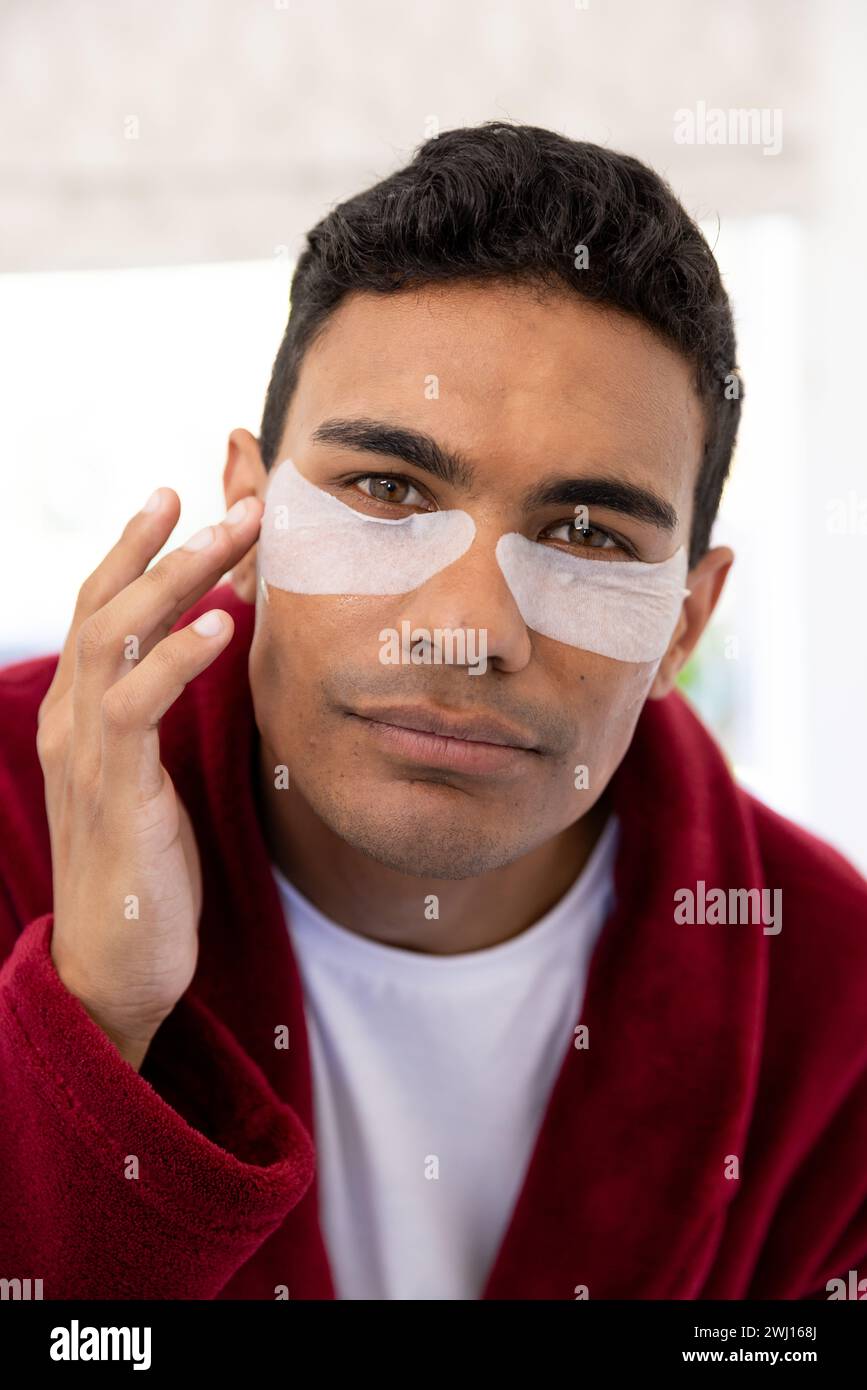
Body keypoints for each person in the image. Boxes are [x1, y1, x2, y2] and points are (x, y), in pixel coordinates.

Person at [1, 123, 865, 1302]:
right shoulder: (7, 816)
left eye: (586, 535)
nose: (467, 628)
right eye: (387, 489)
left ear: (684, 623)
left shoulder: (839, 1004)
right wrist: (93, 1021)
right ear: (248, 522)